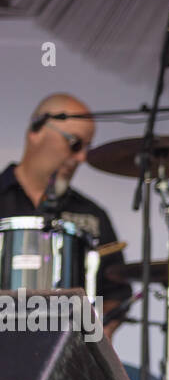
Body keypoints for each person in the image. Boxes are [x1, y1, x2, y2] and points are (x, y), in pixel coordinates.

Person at [0, 93, 129, 340]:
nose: (81, 158)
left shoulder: (92, 214)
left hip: (66, 354)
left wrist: (98, 332)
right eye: (74, 143)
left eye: (87, 148)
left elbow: (116, 292)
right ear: (36, 131)